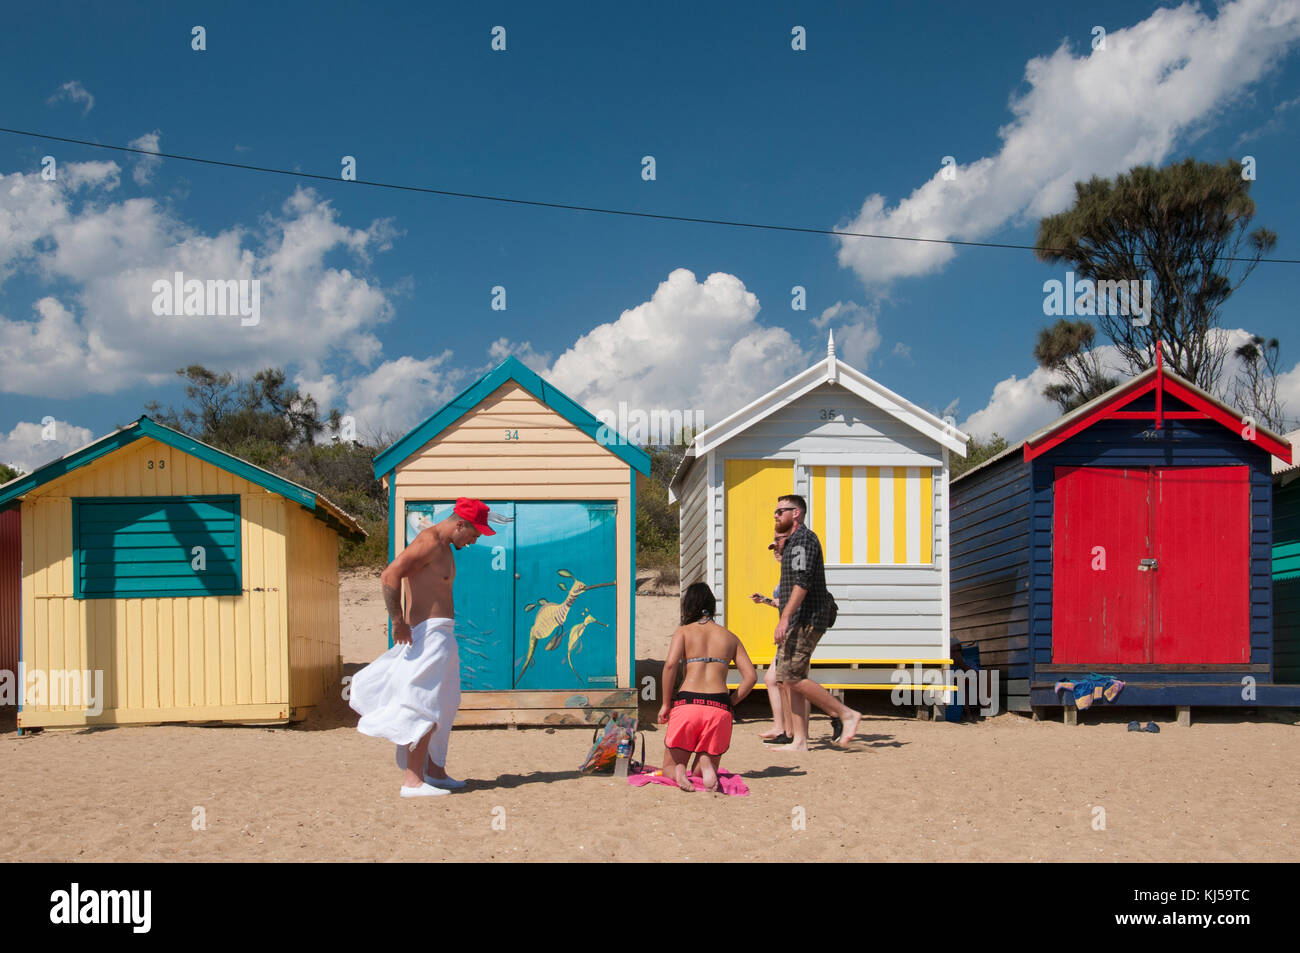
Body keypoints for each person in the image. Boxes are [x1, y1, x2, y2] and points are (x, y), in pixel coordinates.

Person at [349, 497, 493, 797]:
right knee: (423, 703)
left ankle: (435, 772)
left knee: (445, 703)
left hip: (442, 635)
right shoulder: (429, 542)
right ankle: (413, 781)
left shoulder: (445, 547)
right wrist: (398, 621)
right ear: (460, 524)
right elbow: (390, 574)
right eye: (474, 533)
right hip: (427, 636)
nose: (475, 539)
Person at [771, 494, 861, 751]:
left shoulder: (802, 540)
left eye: (780, 511)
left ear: (795, 513)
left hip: (806, 618)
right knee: (790, 678)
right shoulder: (793, 543)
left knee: (792, 676)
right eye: (775, 512)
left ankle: (845, 714)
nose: (776, 516)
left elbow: (803, 581)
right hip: (799, 619)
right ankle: (799, 741)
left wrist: (786, 617)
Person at [657, 582, 757, 792]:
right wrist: (731, 701)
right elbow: (751, 677)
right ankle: (705, 764)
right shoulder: (730, 637)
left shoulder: (684, 632)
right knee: (704, 766)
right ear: (712, 607)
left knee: (668, 766)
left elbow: (670, 665)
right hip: (718, 705)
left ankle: (678, 771)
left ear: (688, 606)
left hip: (688, 703)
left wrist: (666, 703)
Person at [752, 531, 796, 744]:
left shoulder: (792, 573)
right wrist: (766, 600)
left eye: (778, 548)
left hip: (792, 632)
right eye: (774, 549)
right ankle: (781, 727)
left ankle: (836, 714)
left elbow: (790, 603)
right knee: (772, 679)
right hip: (785, 633)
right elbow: (782, 603)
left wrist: (773, 601)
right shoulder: (784, 574)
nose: (776, 552)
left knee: (789, 682)